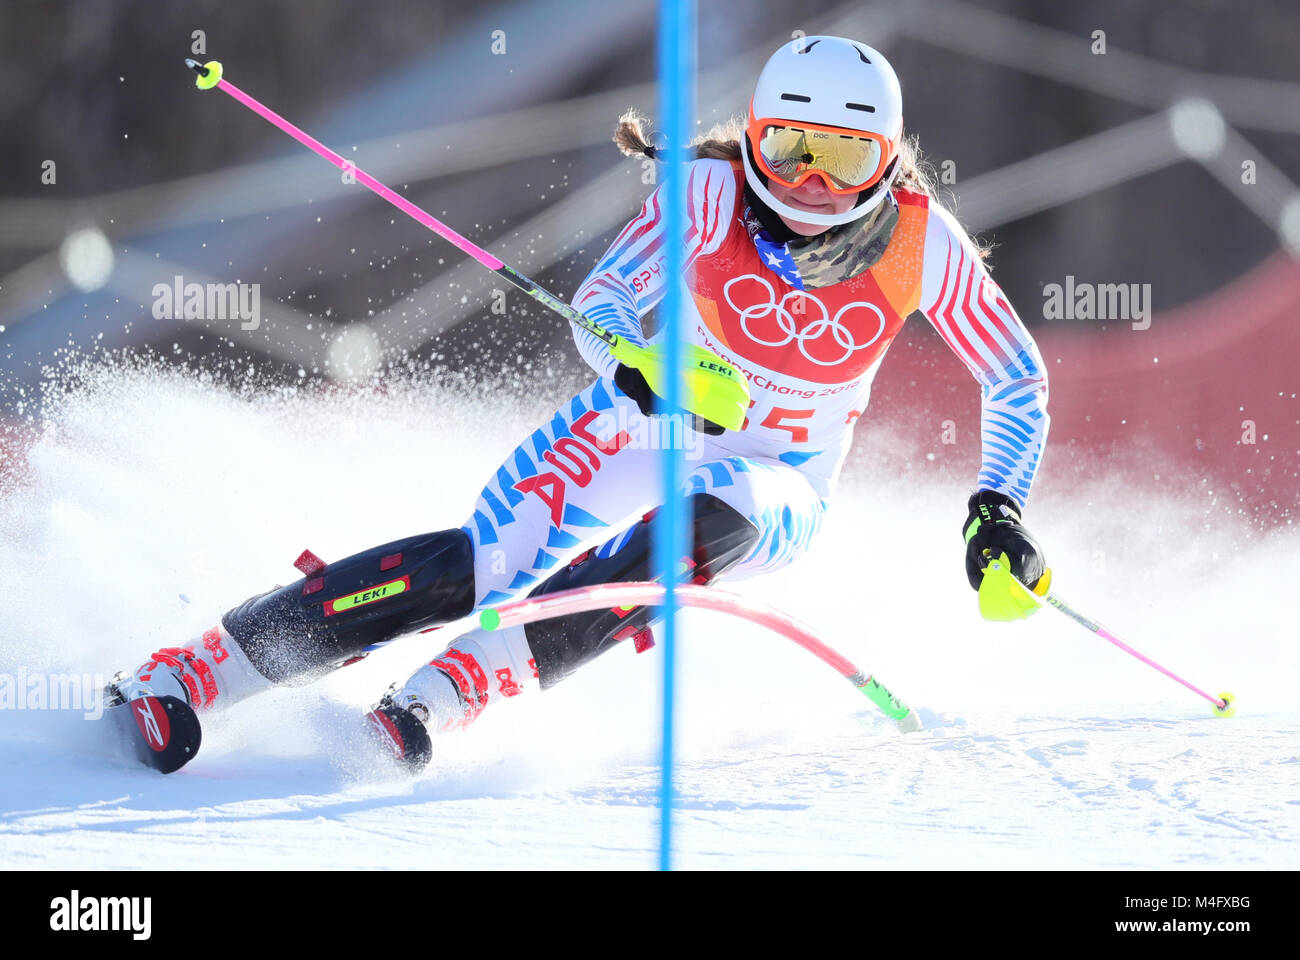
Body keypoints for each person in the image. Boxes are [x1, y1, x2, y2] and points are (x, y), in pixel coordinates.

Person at [112, 36, 1049, 771]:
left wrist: (997, 507)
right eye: (791, 147)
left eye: (842, 159)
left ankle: (447, 695)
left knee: (687, 537)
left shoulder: (922, 246)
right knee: (476, 568)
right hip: (651, 420)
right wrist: (637, 367)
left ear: (884, 161)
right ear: (757, 133)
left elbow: (1013, 375)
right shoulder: (710, 193)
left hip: (785, 476)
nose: (810, 183)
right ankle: (205, 668)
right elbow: (600, 302)